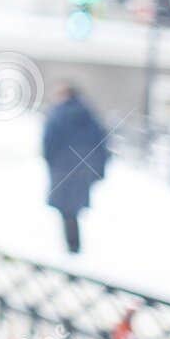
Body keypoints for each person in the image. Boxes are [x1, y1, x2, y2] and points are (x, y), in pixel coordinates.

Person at [41, 83, 110, 254]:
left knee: (66, 209)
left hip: (63, 169)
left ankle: (72, 246)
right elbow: (102, 143)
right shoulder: (89, 114)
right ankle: (74, 245)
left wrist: (52, 163)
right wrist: (98, 170)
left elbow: (49, 143)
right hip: (83, 168)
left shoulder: (58, 115)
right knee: (73, 207)